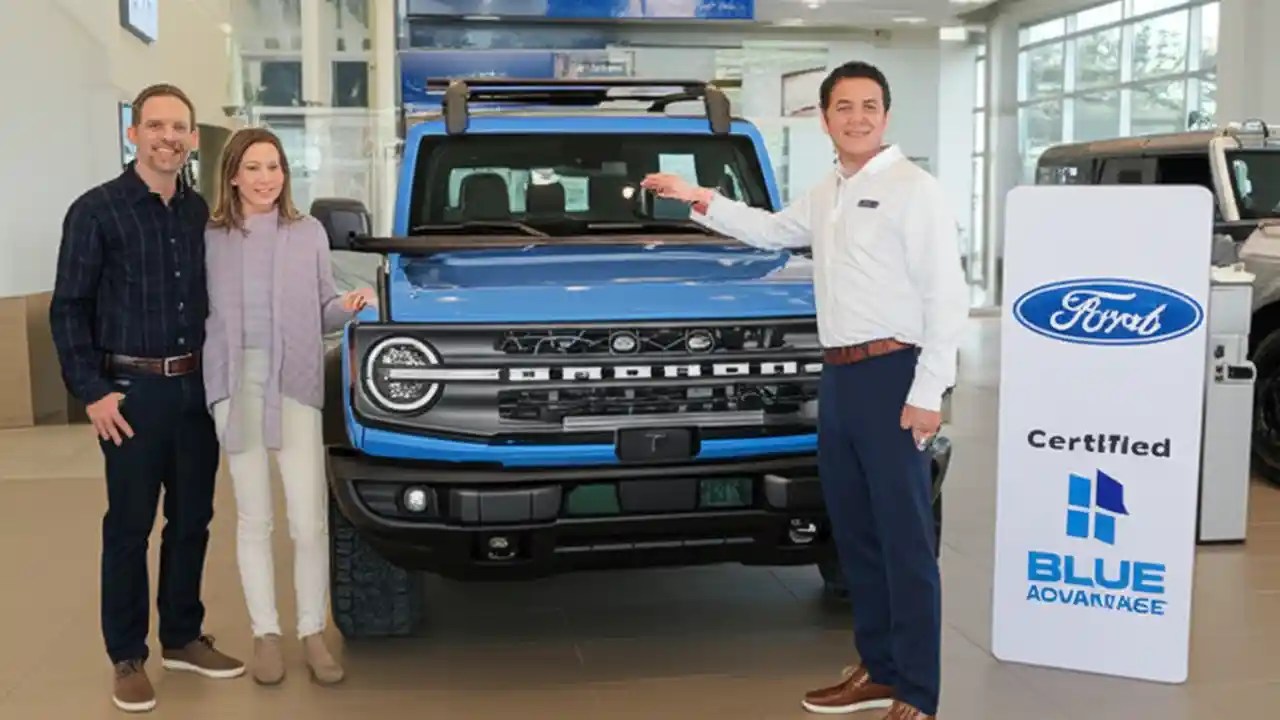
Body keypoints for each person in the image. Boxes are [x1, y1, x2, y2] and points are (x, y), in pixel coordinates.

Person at [642, 61, 968, 720]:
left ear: (886, 114)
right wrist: (697, 196)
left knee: (904, 538)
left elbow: (948, 296)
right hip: (841, 378)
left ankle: (918, 691)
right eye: (843, 107)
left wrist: (929, 389)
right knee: (856, 534)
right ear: (824, 119)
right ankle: (877, 668)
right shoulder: (828, 191)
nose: (857, 118)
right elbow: (769, 230)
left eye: (869, 106)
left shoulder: (914, 189)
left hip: (894, 376)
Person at [49, 84, 246, 714]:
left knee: (193, 520)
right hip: (129, 394)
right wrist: (93, 392)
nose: (168, 137)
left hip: (196, 390)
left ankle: (183, 636)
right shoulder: (96, 211)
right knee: (130, 528)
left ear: (193, 139)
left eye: (179, 127)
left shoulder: (201, 216)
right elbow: (69, 308)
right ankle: (127, 655)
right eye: (155, 125)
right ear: (133, 134)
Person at [203, 127, 373, 686]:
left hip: (295, 382)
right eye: (253, 168)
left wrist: (348, 306)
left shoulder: (308, 233)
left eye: (273, 167)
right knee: (254, 518)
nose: (265, 178)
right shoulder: (210, 237)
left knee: (307, 520)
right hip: (237, 384)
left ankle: (311, 632)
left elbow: (322, 306)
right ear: (232, 174)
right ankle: (266, 633)